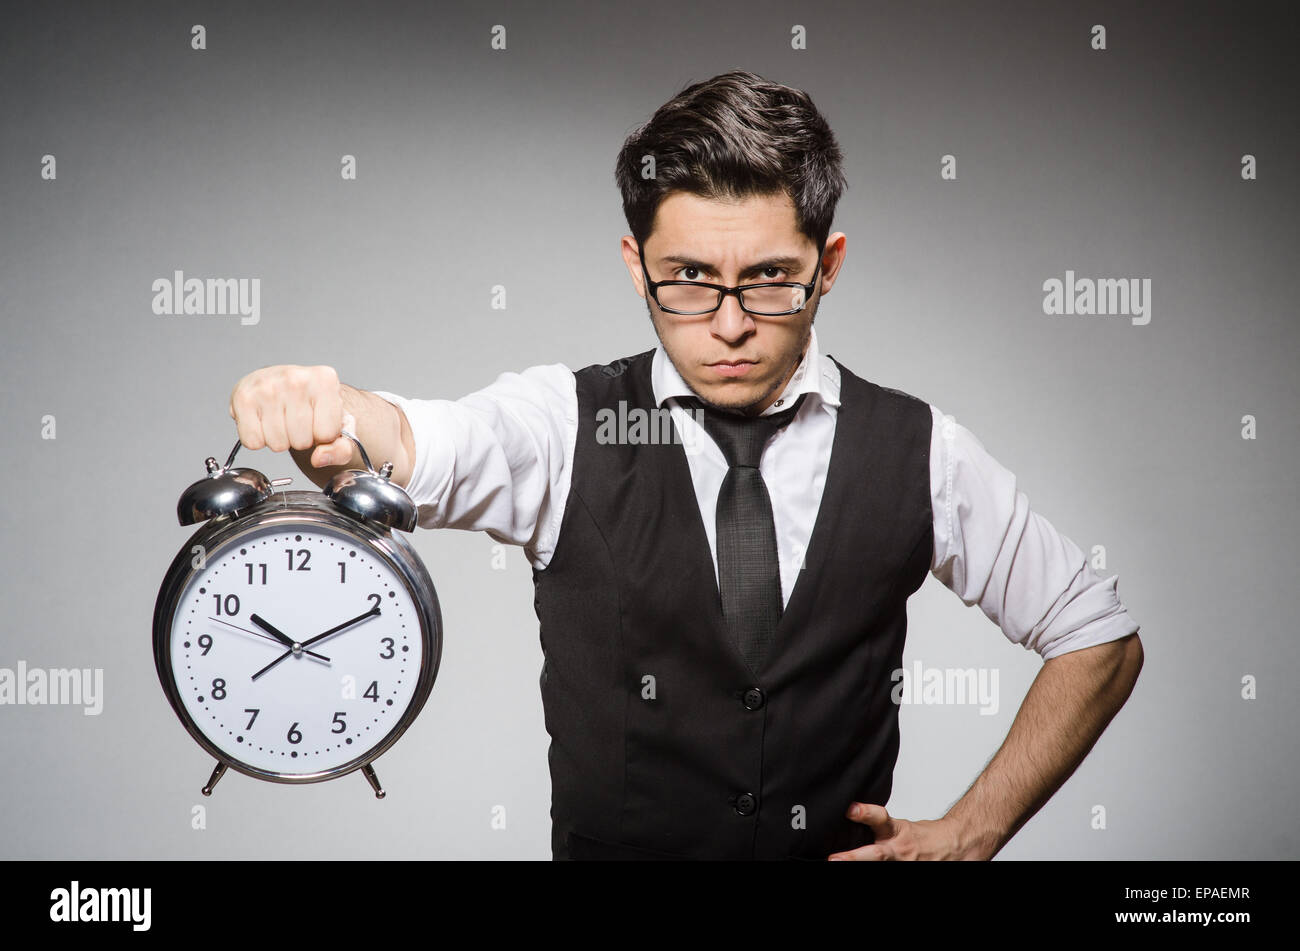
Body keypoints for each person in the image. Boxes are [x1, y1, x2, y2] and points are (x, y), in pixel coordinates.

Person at [229, 69, 1143, 861]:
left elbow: (1097, 636)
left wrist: (976, 828)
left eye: (772, 278)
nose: (732, 321)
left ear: (829, 267)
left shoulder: (919, 448)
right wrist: (341, 408)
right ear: (637, 265)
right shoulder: (562, 425)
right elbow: (431, 440)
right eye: (691, 277)